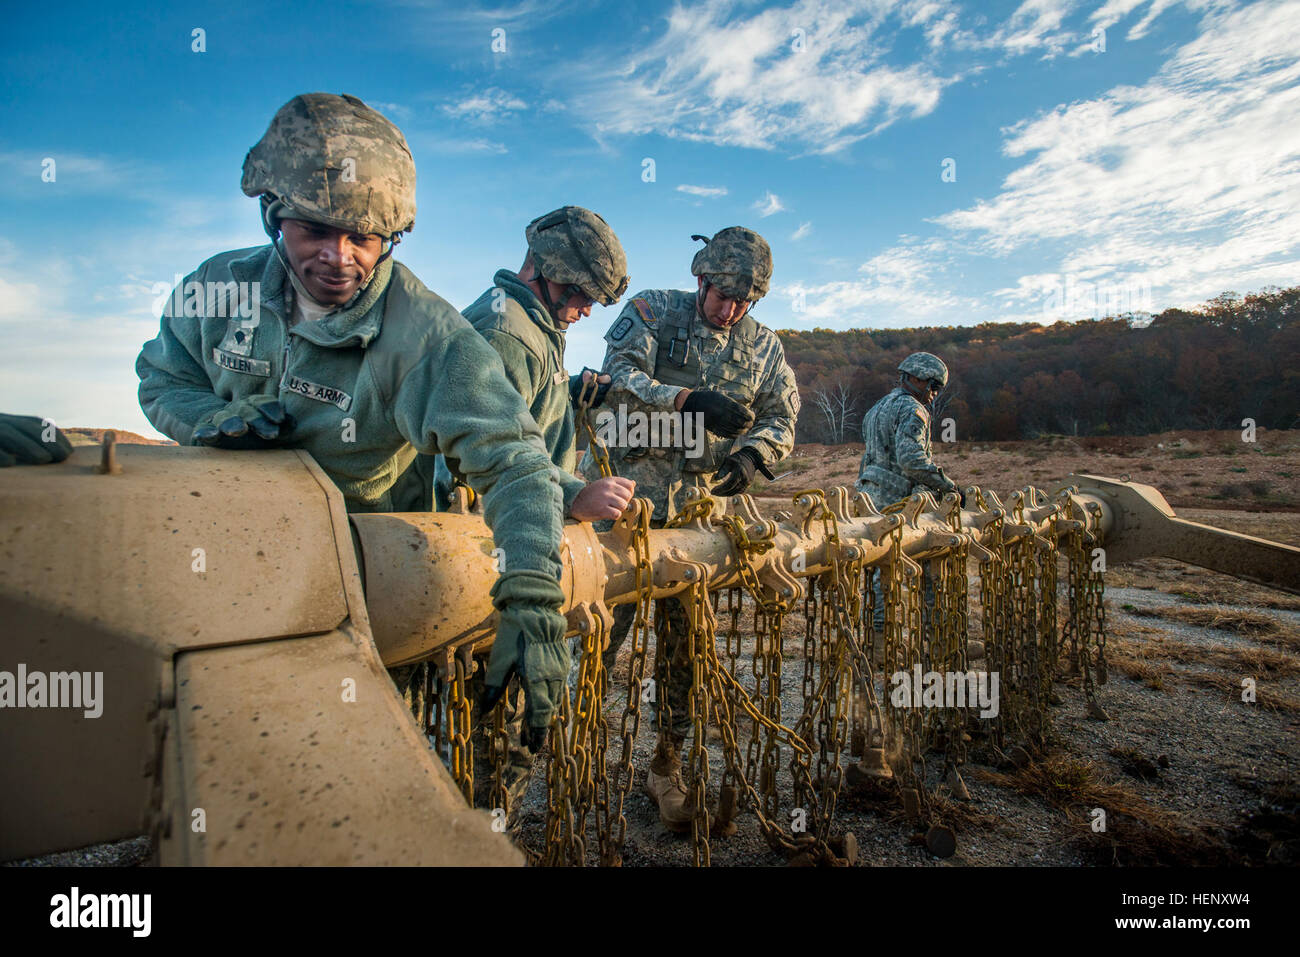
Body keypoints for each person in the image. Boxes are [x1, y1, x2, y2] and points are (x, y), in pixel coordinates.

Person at [135, 92, 597, 745]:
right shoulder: (219, 289)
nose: (340, 256)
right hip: (230, 562)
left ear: (392, 238)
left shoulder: (423, 335)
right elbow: (162, 377)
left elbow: (517, 460)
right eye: (316, 229)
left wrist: (531, 595)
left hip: (360, 585)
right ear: (274, 216)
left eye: (363, 237)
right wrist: (211, 419)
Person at [579, 226, 800, 832]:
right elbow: (613, 378)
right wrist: (685, 401)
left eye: (743, 301)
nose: (729, 309)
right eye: (721, 295)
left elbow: (784, 413)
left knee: (686, 653)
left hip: (697, 521)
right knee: (594, 636)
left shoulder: (763, 347)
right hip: (617, 510)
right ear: (700, 279)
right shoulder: (653, 310)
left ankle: (665, 763)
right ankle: (571, 751)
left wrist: (754, 455)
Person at [443, 205, 638, 816]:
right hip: (494, 540)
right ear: (548, 272)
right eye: (580, 295)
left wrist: (572, 391)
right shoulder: (505, 334)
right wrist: (572, 490)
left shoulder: (533, 327)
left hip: (518, 531)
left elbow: (525, 420)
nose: (585, 310)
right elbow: (485, 445)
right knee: (497, 719)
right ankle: (477, 835)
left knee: (507, 716)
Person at [856, 352, 961, 634]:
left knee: (877, 565)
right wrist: (947, 486)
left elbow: (870, 458)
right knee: (922, 560)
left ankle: (877, 637)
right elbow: (910, 459)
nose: (933, 394)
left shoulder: (877, 408)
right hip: (899, 498)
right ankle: (932, 633)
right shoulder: (913, 410)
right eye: (932, 385)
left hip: (870, 494)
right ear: (915, 379)